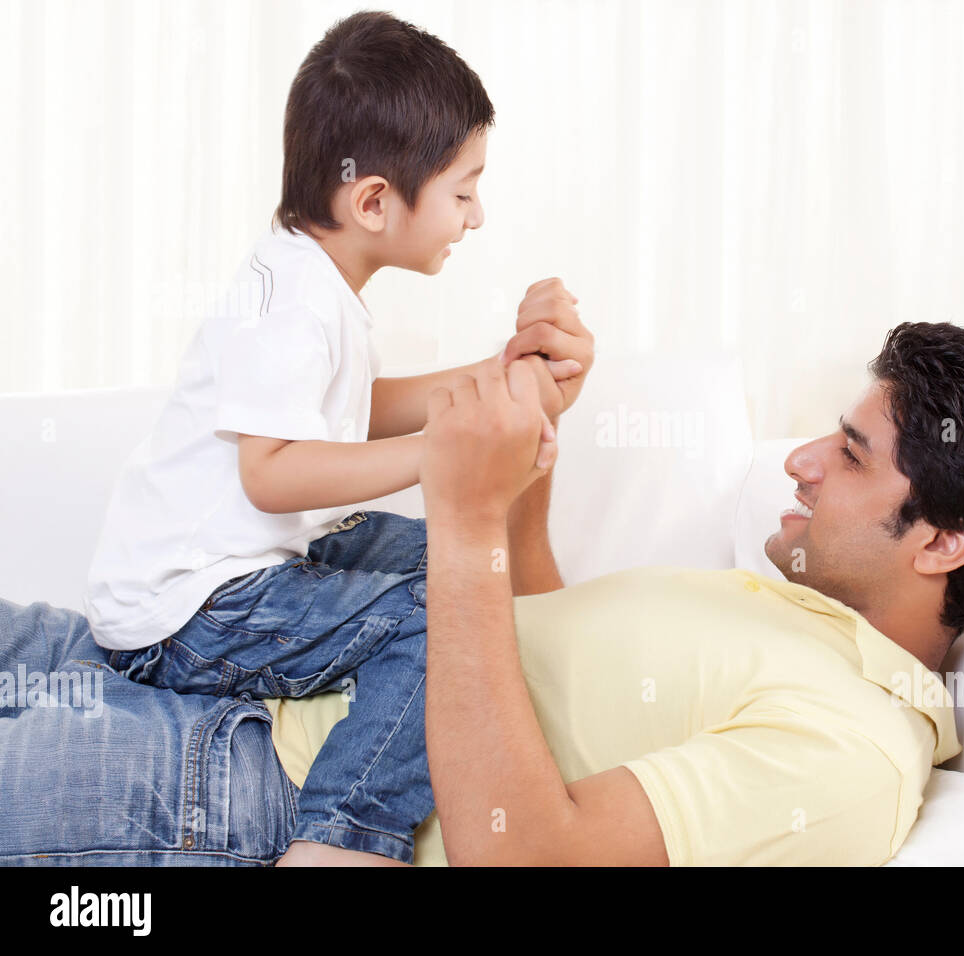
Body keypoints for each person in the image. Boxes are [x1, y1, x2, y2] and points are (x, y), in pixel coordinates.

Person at [5, 322, 964, 866]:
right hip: (216, 650)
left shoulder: (852, 753)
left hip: (238, 781)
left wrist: (464, 518)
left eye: (851, 454)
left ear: (943, 542)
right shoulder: (795, 612)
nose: (803, 457)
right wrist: (523, 487)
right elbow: (523, 651)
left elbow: (525, 845)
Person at [78, 10, 593, 866]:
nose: (476, 216)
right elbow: (271, 476)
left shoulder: (313, 278)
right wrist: (445, 458)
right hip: (188, 607)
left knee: (458, 561)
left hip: (247, 569)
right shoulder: (291, 304)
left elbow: (354, 411)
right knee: (441, 614)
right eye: (463, 192)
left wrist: (493, 376)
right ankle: (344, 837)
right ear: (374, 201)